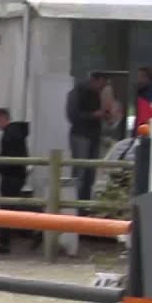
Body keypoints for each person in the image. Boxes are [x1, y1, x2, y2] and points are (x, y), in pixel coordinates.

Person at [0, 108, 31, 254]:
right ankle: (29, 229)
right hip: (16, 174)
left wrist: (2, 166)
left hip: (11, 175)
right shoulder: (16, 132)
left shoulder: (9, 134)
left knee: (7, 207)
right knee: (12, 206)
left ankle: (5, 242)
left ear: (2, 118)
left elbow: (10, 156)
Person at [66, 72, 109, 204]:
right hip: (81, 135)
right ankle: (79, 204)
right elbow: (73, 116)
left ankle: (85, 203)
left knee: (90, 174)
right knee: (81, 172)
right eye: (102, 83)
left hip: (93, 135)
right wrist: (93, 115)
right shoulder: (77, 92)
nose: (102, 87)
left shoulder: (97, 94)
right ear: (94, 80)